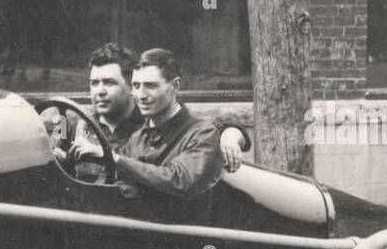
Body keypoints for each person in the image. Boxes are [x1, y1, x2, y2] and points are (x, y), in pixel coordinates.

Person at [68, 47, 227, 224]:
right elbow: (110, 183)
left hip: (185, 242)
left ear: (175, 86)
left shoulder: (201, 133)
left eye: (150, 86)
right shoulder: (138, 138)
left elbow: (181, 180)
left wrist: (117, 159)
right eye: (136, 86)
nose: (141, 95)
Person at [50, 42, 245, 180]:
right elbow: (61, 162)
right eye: (94, 83)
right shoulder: (77, 123)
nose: (99, 92)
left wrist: (231, 134)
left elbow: (202, 127)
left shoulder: (150, 120)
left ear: (128, 87)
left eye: (109, 83)